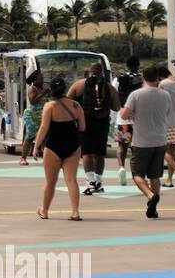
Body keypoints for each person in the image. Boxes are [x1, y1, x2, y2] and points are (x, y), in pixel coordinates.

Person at [120, 66, 173, 219]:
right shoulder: (166, 95)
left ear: (143, 77)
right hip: (160, 140)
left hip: (141, 141)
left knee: (137, 174)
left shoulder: (135, 95)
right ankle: (154, 207)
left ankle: (150, 195)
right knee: (155, 176)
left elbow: (124, 115)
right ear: (158, 78)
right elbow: (167, 113)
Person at [33, 76, 84, 219]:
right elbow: (82, 127)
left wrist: (36, 146)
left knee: (51, 181)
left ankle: (44, 210)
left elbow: (44, 128)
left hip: (54, 146)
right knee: (71, 179)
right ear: (65, 89)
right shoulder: (76, 106)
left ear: (51, 91)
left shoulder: (49, 106)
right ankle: (75, 212)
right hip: (73, 146)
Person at [69, 61, 117, 194]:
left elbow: (68, 101)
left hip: (85, 122)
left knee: (87, 153)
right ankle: (99, 182)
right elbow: (117, 106)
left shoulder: (79, 85)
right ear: (102, 72)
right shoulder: (108, 87)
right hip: (102, 123)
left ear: (89, 71)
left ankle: (90, 182)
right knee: (100, 154)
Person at [114, 56, 142, 184]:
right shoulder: (141, 80)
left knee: (122, 146)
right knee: (136, 147)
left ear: (127, 66)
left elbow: (114, 95)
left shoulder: (119, 79)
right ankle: (137, 172)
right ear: (138, 65)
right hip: (138, 119)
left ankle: (121, 167)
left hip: (122, 117)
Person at [20, 69, 46, 166]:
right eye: (40, 78)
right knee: (30, 137)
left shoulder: (42, 88)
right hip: (33, 116)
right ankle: (23, 158)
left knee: (45, 137)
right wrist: (43, 94)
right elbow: (32, 101)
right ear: (34, 80)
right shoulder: (32, 88)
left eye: (42, 78)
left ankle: (46, 157)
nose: (42, 80)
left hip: (42, 114)